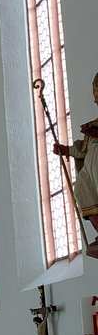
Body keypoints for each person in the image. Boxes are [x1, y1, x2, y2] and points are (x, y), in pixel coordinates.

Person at [53, 72, 98, 257]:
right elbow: (81, 150)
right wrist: (65, 150)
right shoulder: (93, 124)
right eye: (95, 91)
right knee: (82, 189)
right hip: (90, 167)